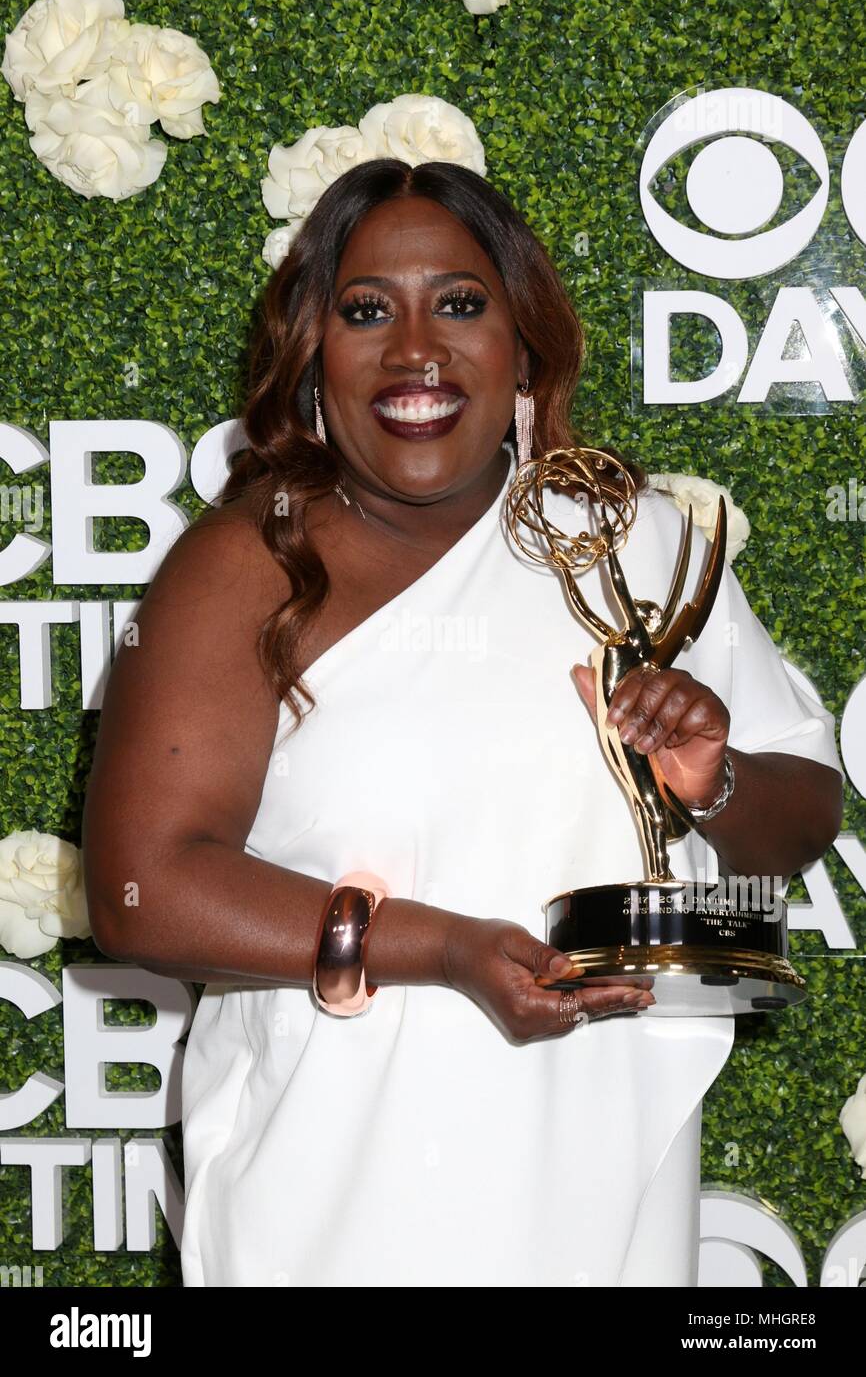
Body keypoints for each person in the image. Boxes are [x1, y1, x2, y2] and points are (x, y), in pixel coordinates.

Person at [82, 158, 845, 1288]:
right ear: (311, 357)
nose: (413, 350)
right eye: (364, 310)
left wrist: (713, 777)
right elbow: (141, 889)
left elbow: (800, 818)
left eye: (458, 302)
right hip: (334, 1174)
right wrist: (440, 949)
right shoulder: (244, 563)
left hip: (599, 1147)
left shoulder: (634, 544)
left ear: (522, 345)